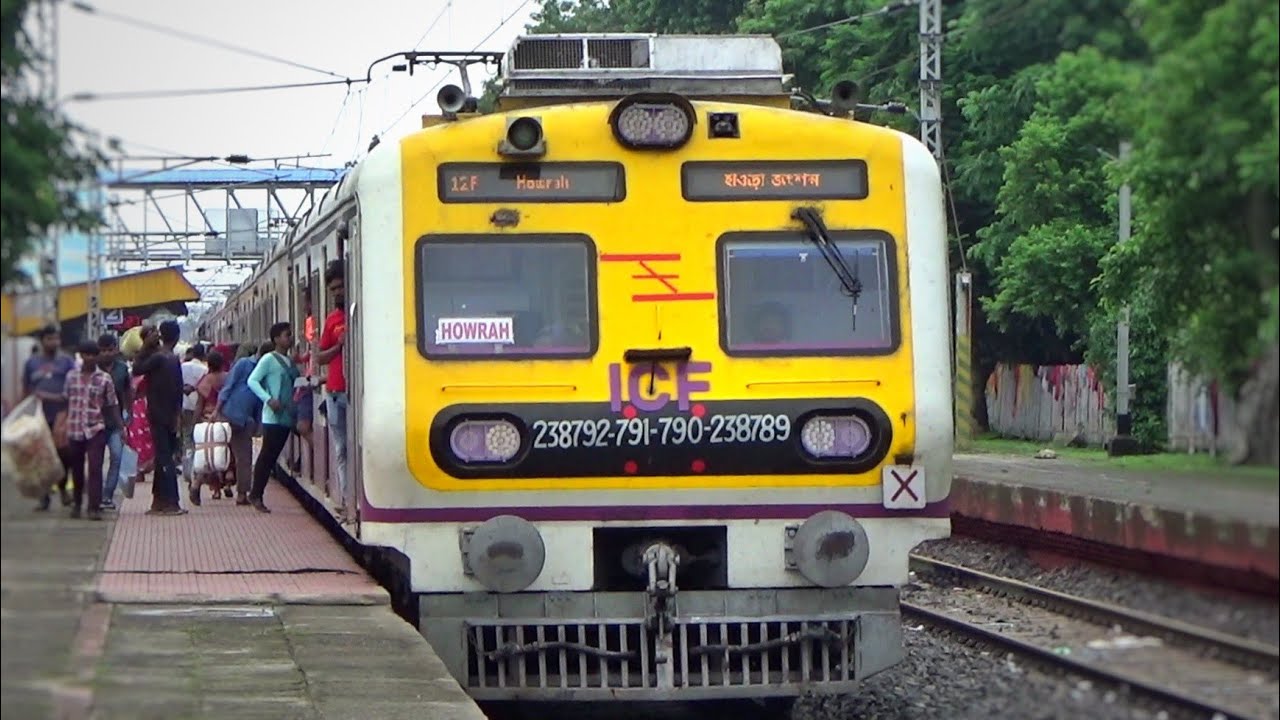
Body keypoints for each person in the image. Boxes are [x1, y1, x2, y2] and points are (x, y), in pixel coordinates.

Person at [131, 320, 186, 515]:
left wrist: (144, 346)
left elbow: (136, 369)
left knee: (164, 459)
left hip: (157, 414)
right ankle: (165, 502)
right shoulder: (171, 358)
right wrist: (178, 416)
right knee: (166, 458)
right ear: (177, 337)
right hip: (169, 415)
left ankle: (166, 502)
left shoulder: (159, 358)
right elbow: (179, 390)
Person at [64, 342, 121, 520]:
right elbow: (65, 401)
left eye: (92, 355)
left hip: (96, 428)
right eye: (85, 355)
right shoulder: (71, 377)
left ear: (97, 357)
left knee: (95, 468)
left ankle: (94, 507)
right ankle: (77, 504)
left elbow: (112, 405)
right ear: (80, 356)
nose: (88, 358)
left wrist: (121, 427)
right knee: (77, 469)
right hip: (74, 428)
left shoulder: (105, 379)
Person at [247, 323, 299, 513]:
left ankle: (256, 494)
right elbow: (252, 381)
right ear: (276, 339)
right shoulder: (268, 359)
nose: (290, 338)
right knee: (266, 457)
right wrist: (268, 399)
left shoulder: (289, 361)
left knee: (272, 456)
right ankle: (256, 494)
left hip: (286, 416)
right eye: (287, 335)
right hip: (273, 417)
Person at [23, 325, 75, 511]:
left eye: (56, 338)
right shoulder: (31, 363)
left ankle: (63, 490)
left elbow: (73, 388)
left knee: (63, 456)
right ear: (42, 341)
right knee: (42, 457)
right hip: (39, 418)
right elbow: (27, 389)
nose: (54, 342)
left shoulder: (67, 362)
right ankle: (44, 497)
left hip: (62, 416)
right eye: (50, 339)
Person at [316, 259, 350, 520]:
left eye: (340, 287)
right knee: (341, 448)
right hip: (334, 391)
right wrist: (339, 346)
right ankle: (346, 498)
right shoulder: (332, 320)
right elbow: (320, 357)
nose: (337, 292)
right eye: (333, 289)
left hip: (353, 393)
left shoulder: (358, 312)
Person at [216, 342, 268, 505]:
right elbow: (228, 387)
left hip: (242, 417)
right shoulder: (245, 364)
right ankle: (239, 493)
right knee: (223, 452)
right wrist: (217, 409)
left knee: (239, 456)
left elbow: (260, 402)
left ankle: (241, 493)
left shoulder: (258, 369)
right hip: (232, 414)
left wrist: (258, 425)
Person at [96, 333, 132, 510]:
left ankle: (107, 496)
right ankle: (96, 494)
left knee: (116, 457)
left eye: (109, 350)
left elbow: (127, 392)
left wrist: (129, 413)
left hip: (116, 421)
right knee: (96, 460)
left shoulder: (122, 369)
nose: (106, 354)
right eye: (103, 350)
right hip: (95, 422)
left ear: (115, 349)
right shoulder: (93, 369)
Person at [189, 350, 229, 505]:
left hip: (207, 420)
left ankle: (197, 484)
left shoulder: (205, 381)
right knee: (223, 454)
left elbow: (199, 405)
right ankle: (225, 483)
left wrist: (194, 424)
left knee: (206, 454)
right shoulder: (228, 377)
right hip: (226, 420)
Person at [180, 342, 208, 488]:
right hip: (199, 408)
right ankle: (196, 470)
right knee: (198, 440)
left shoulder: (182, 367)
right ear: (203, 354)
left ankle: (187, 468)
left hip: (184, 406)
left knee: (186, 437)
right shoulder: (205, 369)